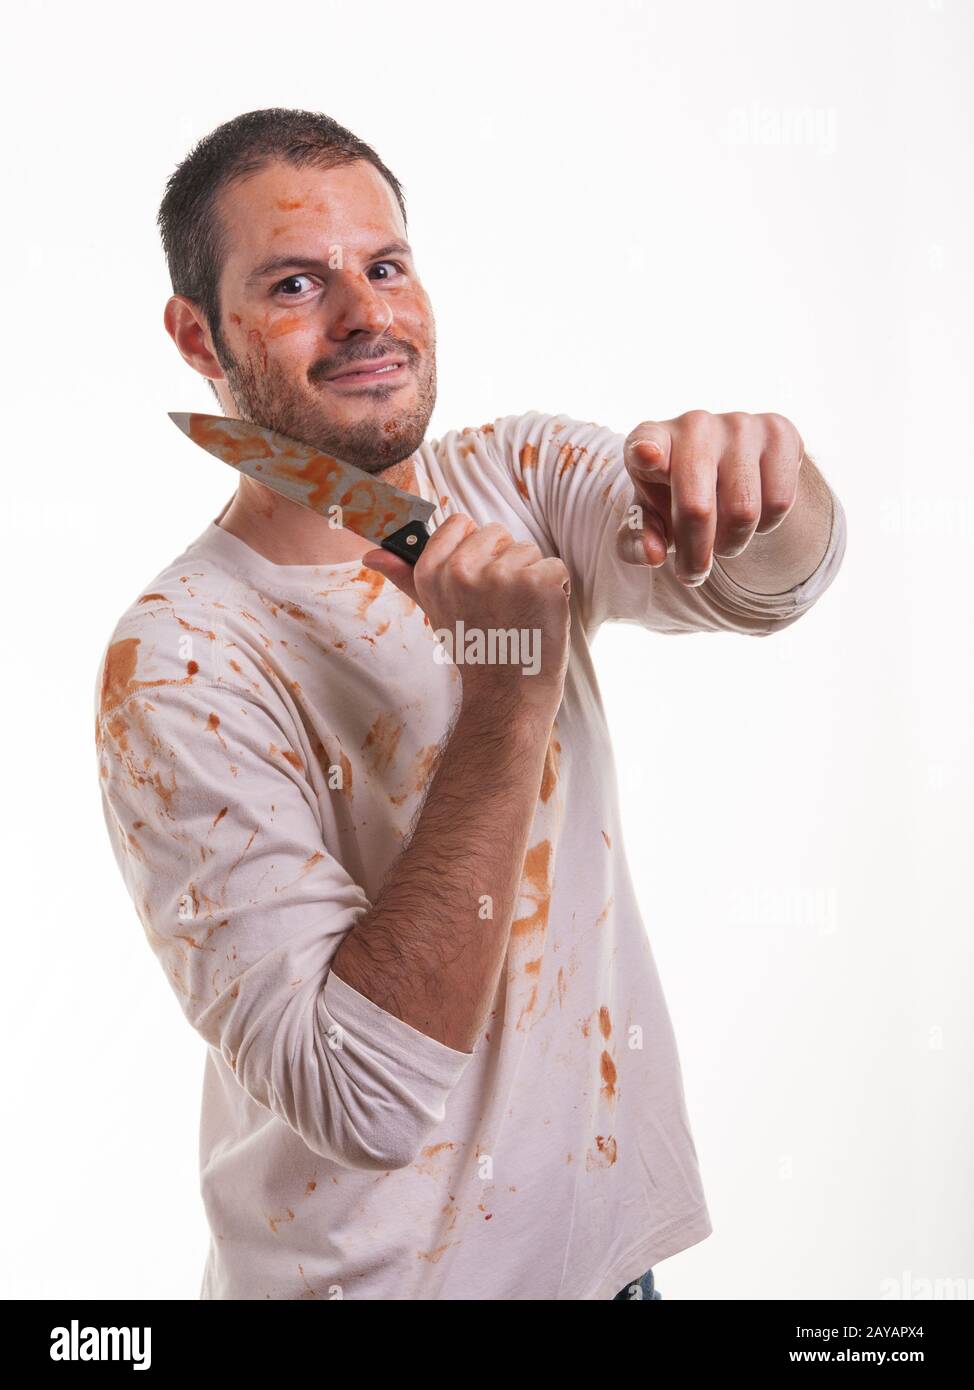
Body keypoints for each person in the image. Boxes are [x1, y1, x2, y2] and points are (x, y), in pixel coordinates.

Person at [94, 108, 847, 1301]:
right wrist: (508, 692)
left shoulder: (514, 479)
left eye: (386, 266)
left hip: (605, 1271)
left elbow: (770, 587)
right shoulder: (181, 658)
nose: (366, 315)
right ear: (198, 336)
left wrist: (768, 481)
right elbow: (361, 1094)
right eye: (296, 284)